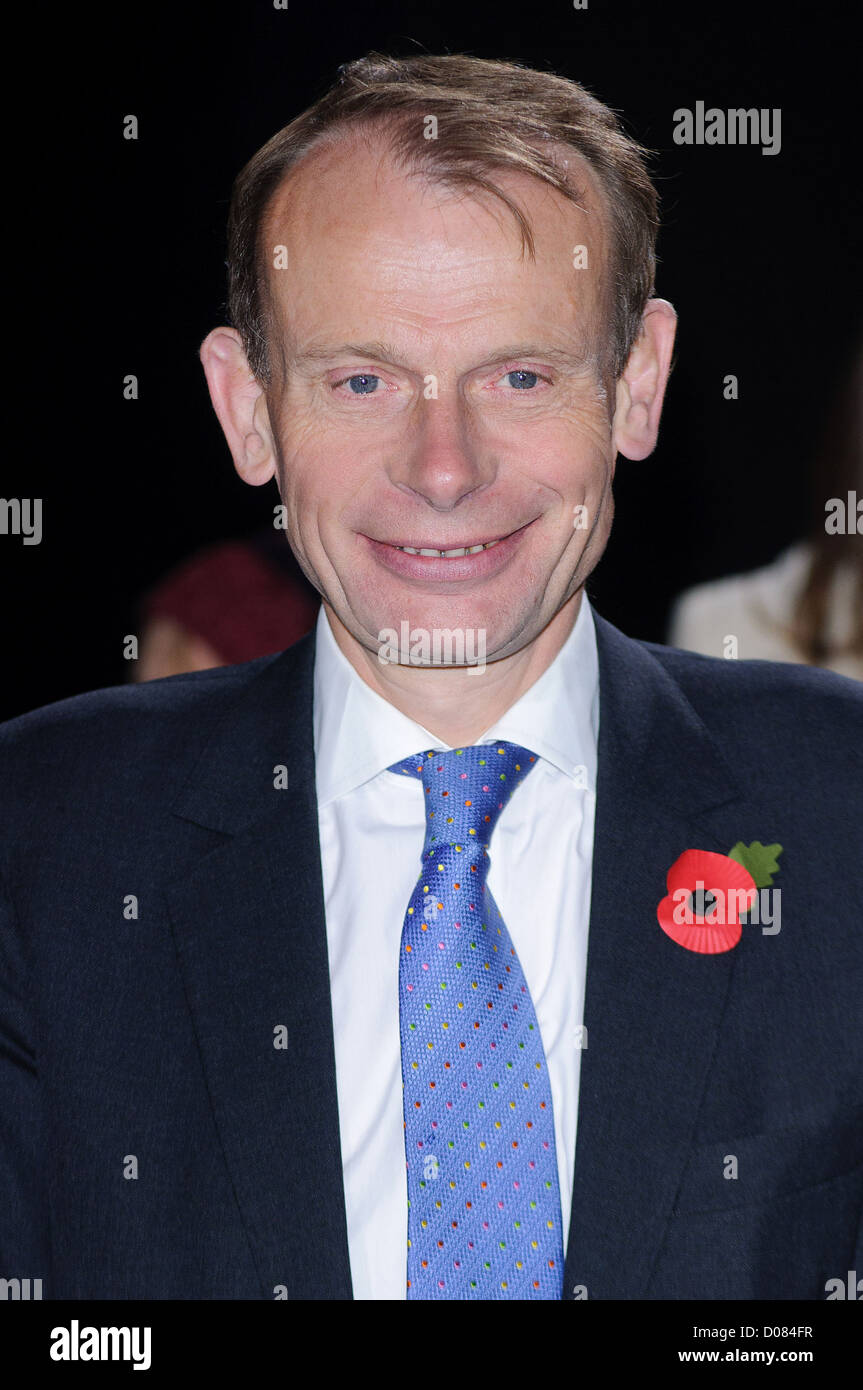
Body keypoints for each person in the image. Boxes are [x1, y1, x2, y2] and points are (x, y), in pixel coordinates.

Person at [1, 52, 861, 1303]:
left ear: (636, 385)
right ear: (247, 410)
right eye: (361, 380)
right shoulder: (39, 841)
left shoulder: (840, 807)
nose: (443, 466)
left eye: (518, 376)